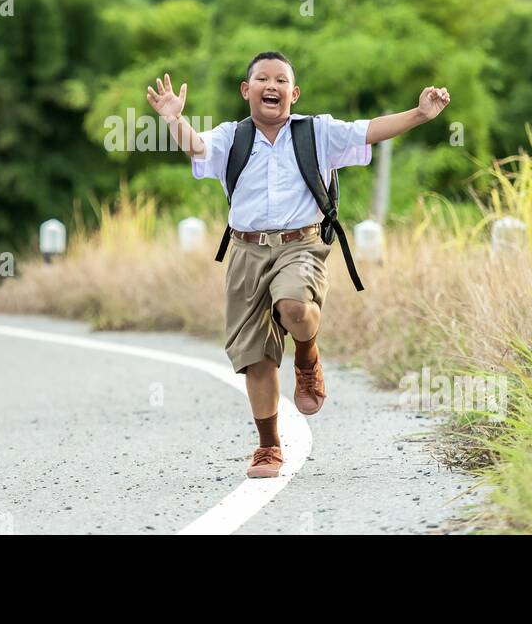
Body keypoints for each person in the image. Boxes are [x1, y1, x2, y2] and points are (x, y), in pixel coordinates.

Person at [145, 51, 451, 478]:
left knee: (295, 307)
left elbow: (369, 131)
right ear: (246, 90)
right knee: (257, 358)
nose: (272, 86)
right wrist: (174, 120)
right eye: (262, 80)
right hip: (245, 251)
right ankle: (269, 447)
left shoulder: (317, 133)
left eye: (281, 80)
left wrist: (420, 114)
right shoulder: (231, 138)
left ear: (294, 92)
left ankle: (307, 356)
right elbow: (195, 145)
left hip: (301, 245)